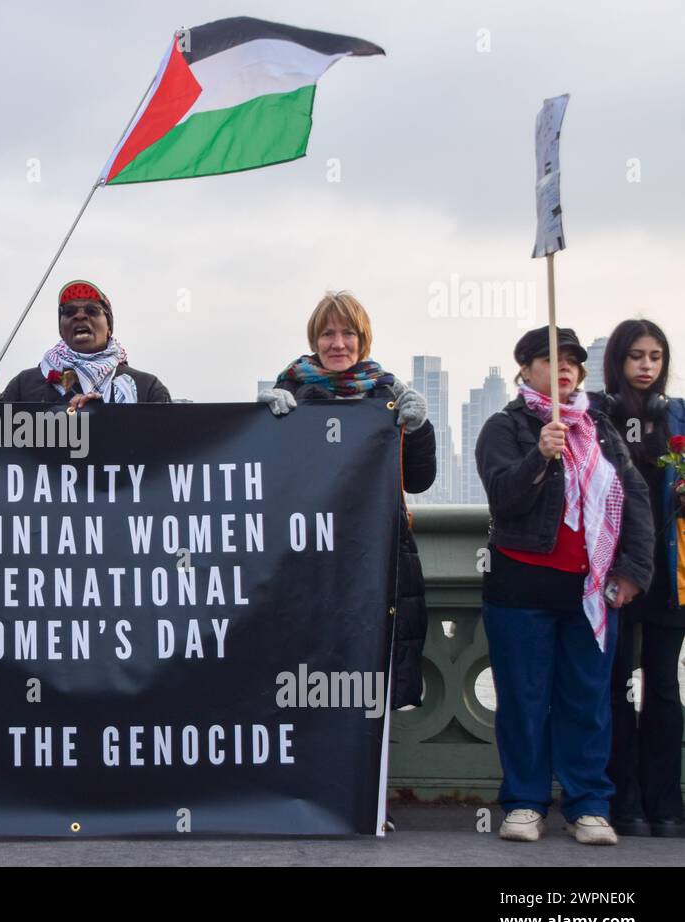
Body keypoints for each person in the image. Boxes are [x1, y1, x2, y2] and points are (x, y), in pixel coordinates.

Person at [475, 327, 654, 845]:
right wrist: (541, 456)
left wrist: (633, 572)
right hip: (520, 589)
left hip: (592, 590)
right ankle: (526, 803)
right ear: (526, 369)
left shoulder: (599, 427)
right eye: (552, 360)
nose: (567, 368)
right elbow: (504, 498)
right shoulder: (503, 427)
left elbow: (634, 498)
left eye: (573, 361)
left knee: (587, 699)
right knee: (524, 700)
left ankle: (588, 804)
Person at [258, 292, 435, 717]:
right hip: (308, 564)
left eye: (348, 333)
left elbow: (419, 479)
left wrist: (421, 427)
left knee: (372, 685)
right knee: (308, 690)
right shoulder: (291, 394)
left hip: (378, 561)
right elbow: (268, 482)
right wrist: (261, 424)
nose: (338, 343)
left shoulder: (388, 393)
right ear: (314, 340)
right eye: (327, 334)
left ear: (363, 339)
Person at [589, 318, 684, 838]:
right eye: (636, 357)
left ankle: (666, 803)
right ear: (618, 361)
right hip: (613, 575)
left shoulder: (678, 417)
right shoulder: (597, 415)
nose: (646, 366)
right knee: (615, 688)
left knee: (665, 689)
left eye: (655, 356)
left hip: (670, 577)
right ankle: (619, 799)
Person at [0, 280, 170, 407]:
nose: (80, 316)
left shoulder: (146, 388)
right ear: (61, 329)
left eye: (91, 310)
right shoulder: (25, 385)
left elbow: (172, 447)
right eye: (69, 312)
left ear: (109, 327)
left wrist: (100, 415)